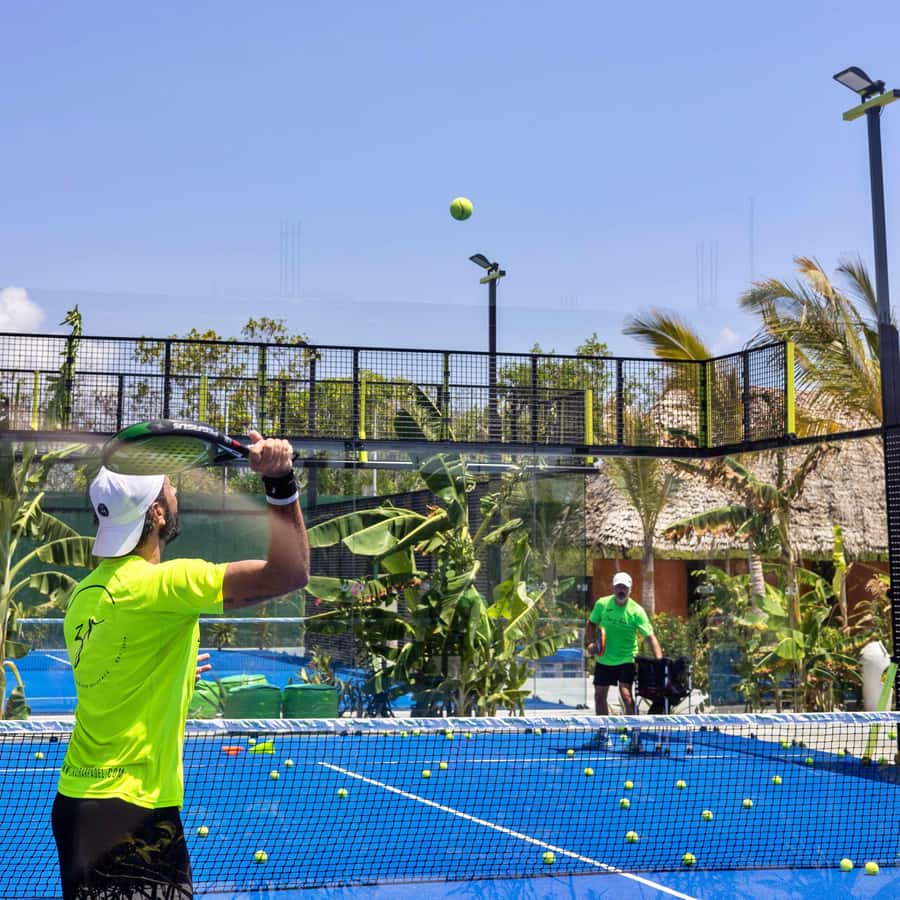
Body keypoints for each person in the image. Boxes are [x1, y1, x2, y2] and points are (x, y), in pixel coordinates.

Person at [52, 431, 309, 900]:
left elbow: (114, 677)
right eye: (171, 486)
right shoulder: (166, 584)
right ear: (156, 512)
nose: (178, 492)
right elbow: (289, 572)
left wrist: (175, 675)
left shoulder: (82, 596)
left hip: (76, 805)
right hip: (131, 811)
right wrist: (280, 482)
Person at [584, 571, 662, 716]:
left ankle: (634, 729)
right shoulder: (602, 604)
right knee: (599, 696)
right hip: (604, 658)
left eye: (624, 587)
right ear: (613, 588)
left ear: (630, 589)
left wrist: (660, 661)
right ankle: (603, 731)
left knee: (626, 693)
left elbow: (650, 637)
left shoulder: (637, 611)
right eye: (618, 587)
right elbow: (591, 623)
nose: (621, 590)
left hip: (627, 658)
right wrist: (590, 643)